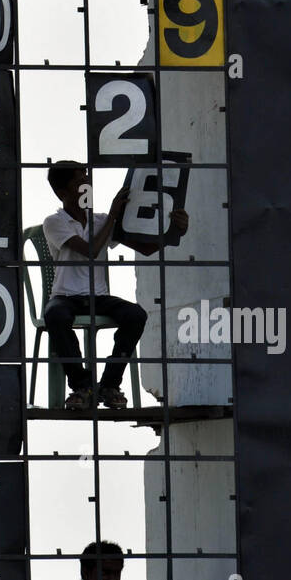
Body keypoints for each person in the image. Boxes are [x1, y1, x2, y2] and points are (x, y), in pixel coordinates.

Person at [42, 159, 189, 409]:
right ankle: (82, 386)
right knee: (55, 314)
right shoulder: (54, 222)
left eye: (87, 179)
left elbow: (145, 248)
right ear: (62, 193)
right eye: (80, 181)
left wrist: (174, 230)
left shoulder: (100, 221)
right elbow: (89, 251)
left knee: (135, 315)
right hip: (66, 295)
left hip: (99, 297)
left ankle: (109, 384)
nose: (87, 185)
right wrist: (113, 215)